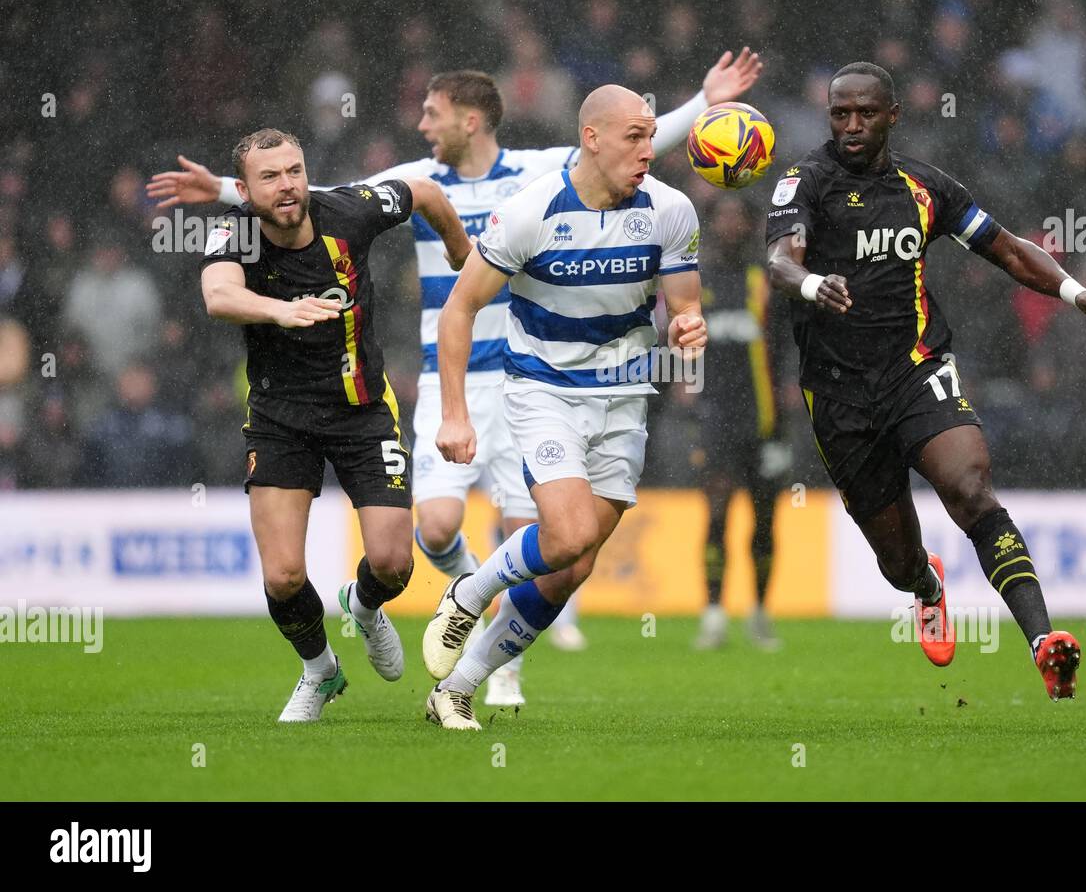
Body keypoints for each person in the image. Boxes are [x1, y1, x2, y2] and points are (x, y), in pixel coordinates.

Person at [149, 50, 762, 707]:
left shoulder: (536, 173)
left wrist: (704, 104)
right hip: (458, 370)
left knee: (548, 533)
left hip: (531, 368)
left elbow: (625, 142)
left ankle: (500, 667)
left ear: (470, 121)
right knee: (439, 526)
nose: (420, 124)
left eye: (431, 112)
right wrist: (221, 189)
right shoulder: (409, 177)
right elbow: (314, 201)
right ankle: (445, 606)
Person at [765, 63, 1086, 701]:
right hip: (837, 393)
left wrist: (1075, 294)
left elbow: (1008, 248)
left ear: (892, 116)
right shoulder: (804, 183)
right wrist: (808, 283)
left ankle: (1044, 644)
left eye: (864, 113)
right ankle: (927, 588)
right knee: (898, 561)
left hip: (917, 367)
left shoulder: (925, 186)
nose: (851, 125)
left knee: (970, 491)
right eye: (839, 114)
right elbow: (778, 258)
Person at [424, 85, 707, 730]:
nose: (647, 149)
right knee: (568, 534)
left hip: (625, 399)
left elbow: (685, 305)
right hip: (543, 390)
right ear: (592, 138)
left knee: (571, 569)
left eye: (650, 134)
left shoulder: (671, 211)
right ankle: (468, 594)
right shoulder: (529, 212)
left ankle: (458, 688)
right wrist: (455, 413)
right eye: (633, 136)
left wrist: (689, 325)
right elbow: (459, 309)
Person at [200, 127, 472, 722]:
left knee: (392, 562)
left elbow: (423, 191)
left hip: (363, 412)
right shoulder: (234, 233)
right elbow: (218, 295)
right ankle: (320, 670)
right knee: (283, 575)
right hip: (279, 419)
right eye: (269, 177)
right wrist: (281, 310)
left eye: (294, 170)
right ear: (244, 191)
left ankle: (366, 606)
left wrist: (461, 254)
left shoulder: (350, 209)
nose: (287, 185)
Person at [690, 195, 789, 651]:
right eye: (723, 216)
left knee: (766, 521)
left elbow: (788, 350)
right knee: (715, 515)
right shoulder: (696, 284)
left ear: (750, 226)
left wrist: (791, 404)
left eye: (739, 216)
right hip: (715, 421)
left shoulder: (766, 283)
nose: (731, 224)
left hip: (765, 423)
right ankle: (713, 613)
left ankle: (761, 612)